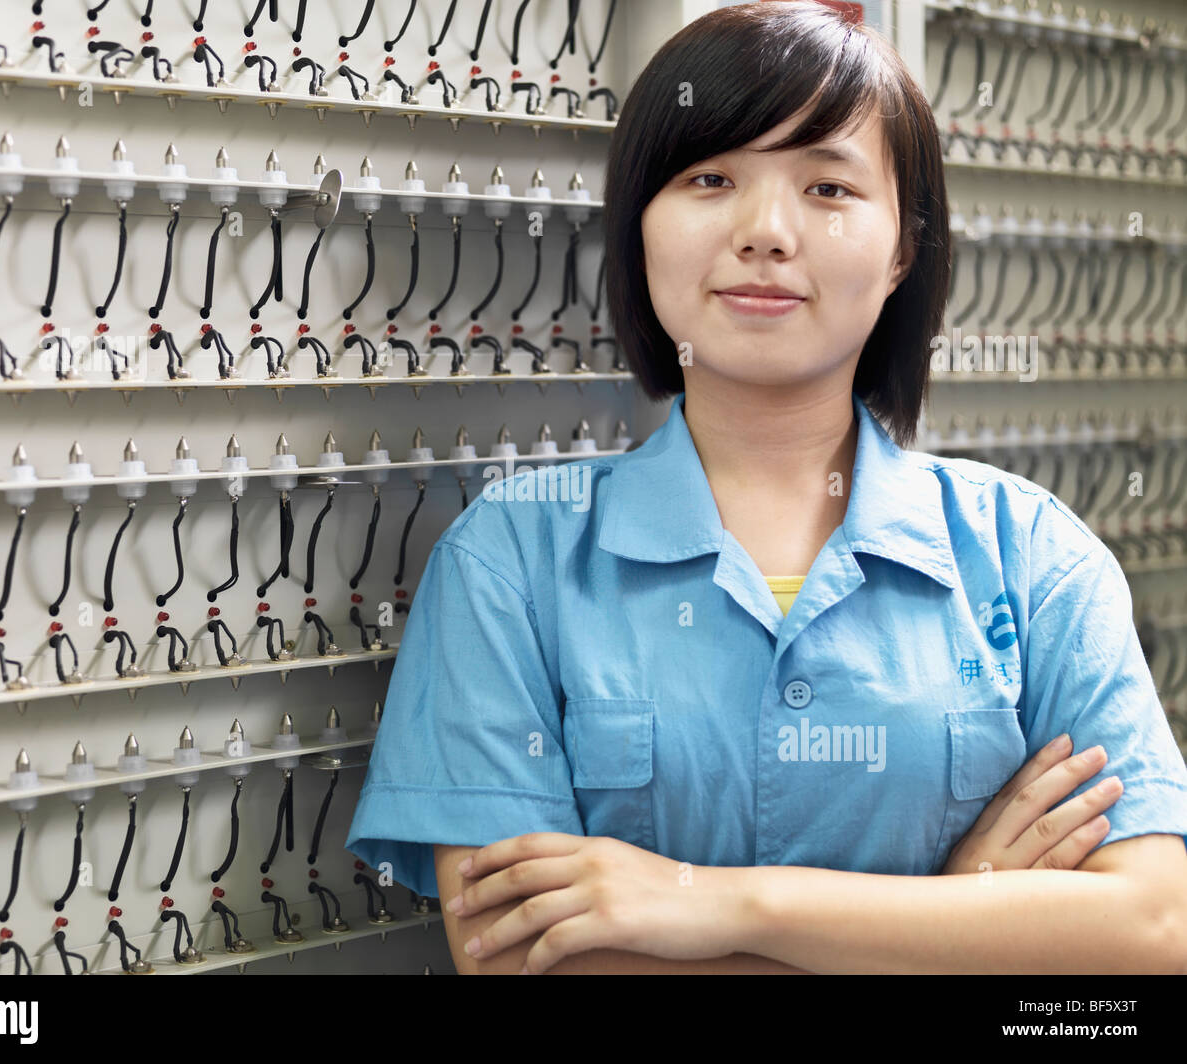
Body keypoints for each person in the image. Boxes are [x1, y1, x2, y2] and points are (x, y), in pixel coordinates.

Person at [344, 2, 1187, 974]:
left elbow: (1153, 931)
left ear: (902, 249)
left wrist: (716, 902)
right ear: (640, 225)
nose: (766, 232)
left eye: (828, 186)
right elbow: (519, 954)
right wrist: (961, 919)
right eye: (710, 178)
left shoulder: (1031, 552)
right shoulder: (510, 560)